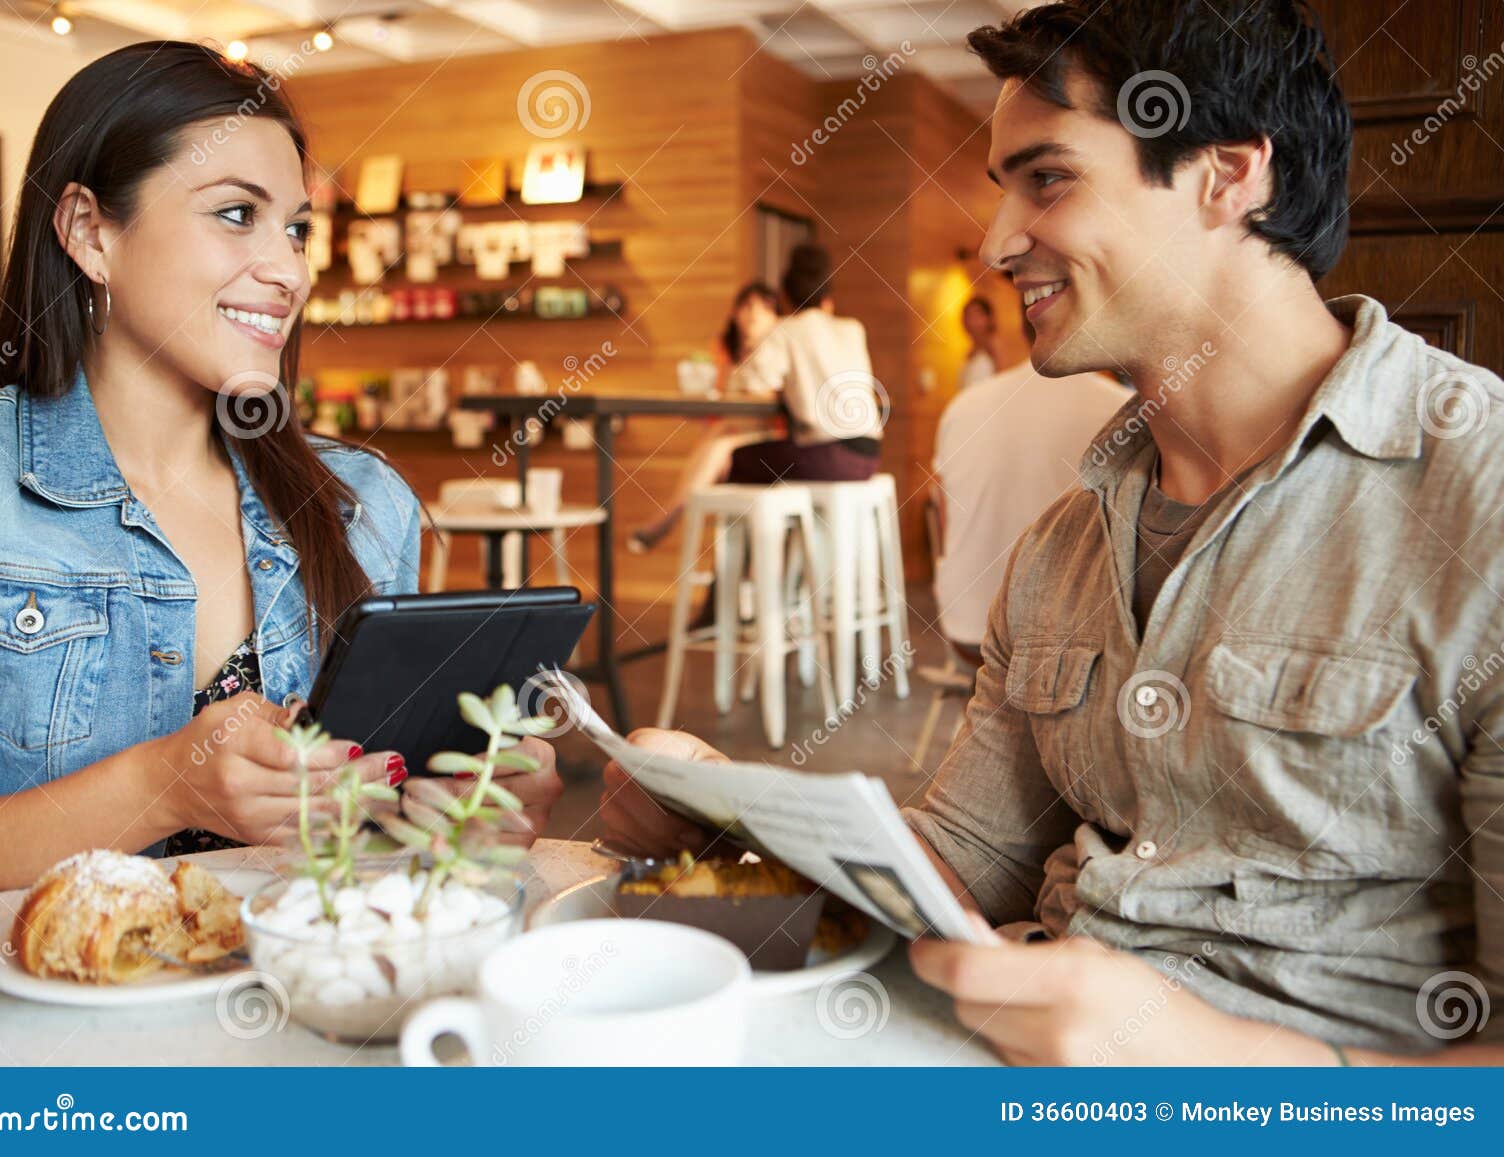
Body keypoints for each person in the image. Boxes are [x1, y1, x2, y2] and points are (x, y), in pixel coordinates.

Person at [599, 0, 1504, 1065]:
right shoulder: (1062, 544)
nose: (994, 244)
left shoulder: (1474, 495)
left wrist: (1210, 1059)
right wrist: (728, 825)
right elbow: (955, 865)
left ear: (1228, 175)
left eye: (1049, 177)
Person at [0, 42, 561, 912]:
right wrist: (161, 785)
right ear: (89, 232)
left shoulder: (364, 504)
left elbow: (375, 864)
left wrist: (470, 816)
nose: (289, 270)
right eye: (235, 215)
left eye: (295, 228)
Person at [933, 319, 1131, 662]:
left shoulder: (962, 406)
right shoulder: (1123, 410)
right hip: (1072, 642)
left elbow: (943, 518)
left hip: (966, 623)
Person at [627, 282, 783, 553]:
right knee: (720, 435)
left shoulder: (780, 350)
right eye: (748, 306)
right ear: (736, 312)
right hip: (733, 435)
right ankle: (674, 511)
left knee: (721, 440)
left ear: (776, 315)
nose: (754, 314)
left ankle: (670, 514)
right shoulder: (729, 352)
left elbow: (773, 400)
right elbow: (719, 403)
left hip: (769, 442)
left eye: (764, 308)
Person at [723, 243, 884, 484]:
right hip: (870, 454)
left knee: (735, 459)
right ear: (826, 297)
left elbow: (751, 385)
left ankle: (763, 522)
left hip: (828, 456)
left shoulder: (786, 330)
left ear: (785, 294)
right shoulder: (853, 329)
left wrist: (759, 337)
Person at [958, 295, 1019, 388]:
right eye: (968, 315)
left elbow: (1004, 381)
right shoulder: (971, 351)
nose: (971, 321)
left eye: (976, 315)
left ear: (989, 318)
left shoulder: (996, 346)